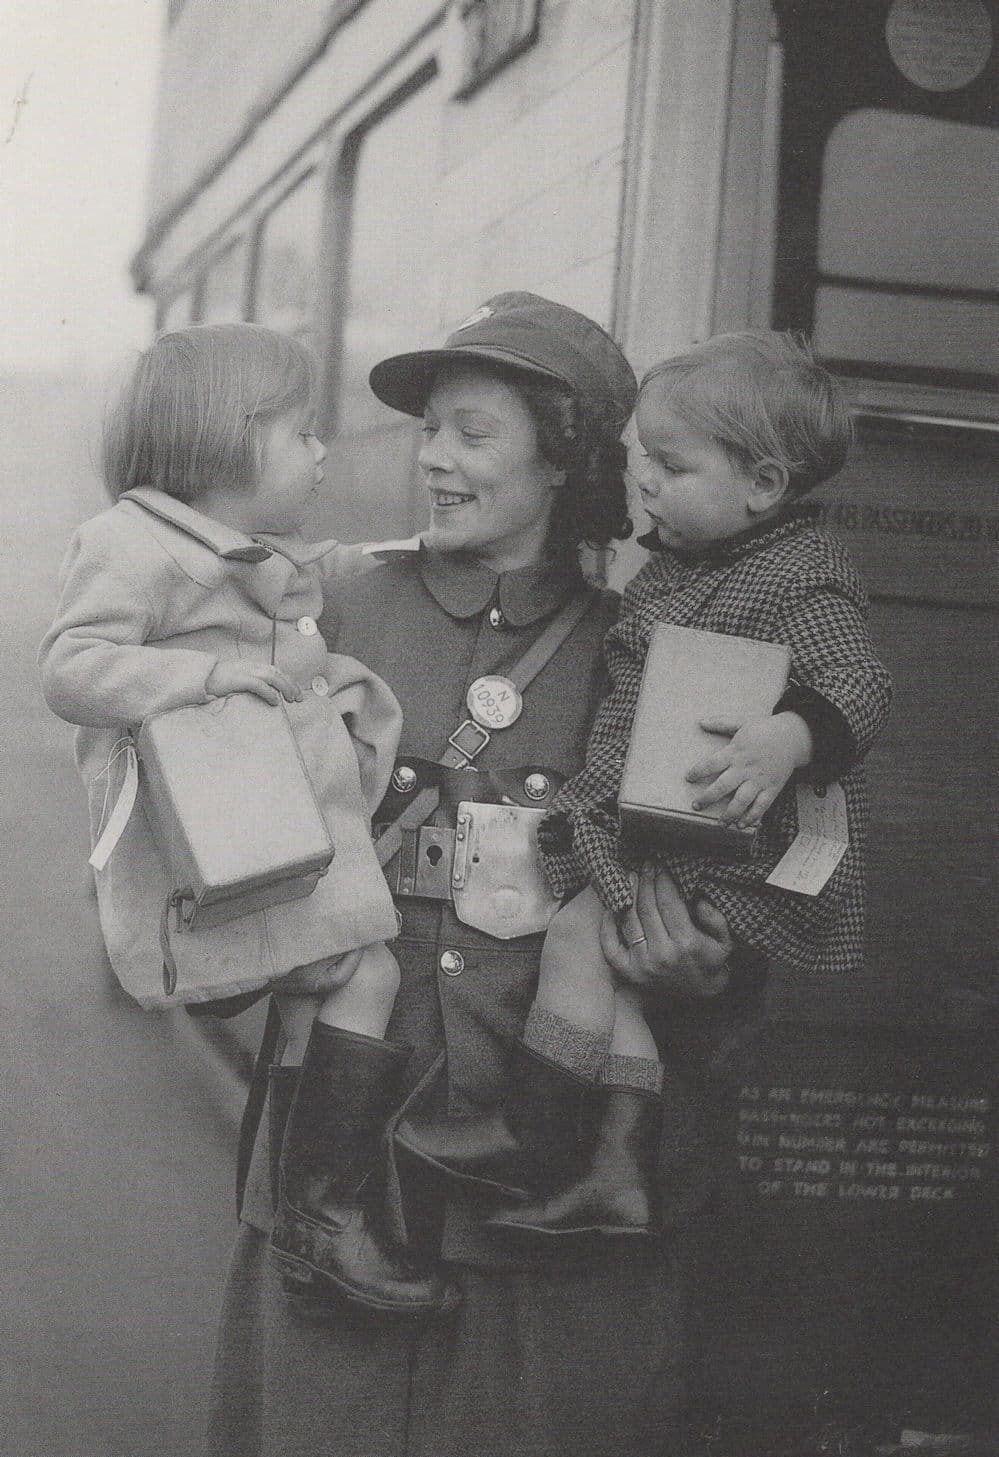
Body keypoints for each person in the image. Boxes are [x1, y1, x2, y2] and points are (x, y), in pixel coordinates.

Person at [209, 293, 740, 1457]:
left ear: (563, 457)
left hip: (541, 1192)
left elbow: (738, 898)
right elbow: (206, 842)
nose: (434, 459)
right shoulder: (335, 605)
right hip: (340, 1167)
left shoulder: (650, 644)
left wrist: (706, 969)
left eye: (472, 431)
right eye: (430, 431)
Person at [399, 328, 893, 1238]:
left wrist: (788, 736)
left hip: (709, 838)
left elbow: (856, 681)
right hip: (664, 832)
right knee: (606, 968)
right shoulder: (683, 567)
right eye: (644, 465)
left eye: (472, 435)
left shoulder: (793, 573)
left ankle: (532, 1131)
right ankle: (615, 1168)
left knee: (586, 938)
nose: (648, 485)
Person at [38, 321, 457, 1315]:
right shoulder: (128, 543)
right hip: (218, 835)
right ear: (224, 436)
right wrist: (210, 673)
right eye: (301, 431)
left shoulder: (247, 549)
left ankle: (310, 1210)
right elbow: (71, 667)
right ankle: (325, 1210)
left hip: (270, 828)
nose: (322, 452)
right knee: (369, 966)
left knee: (342, 977)